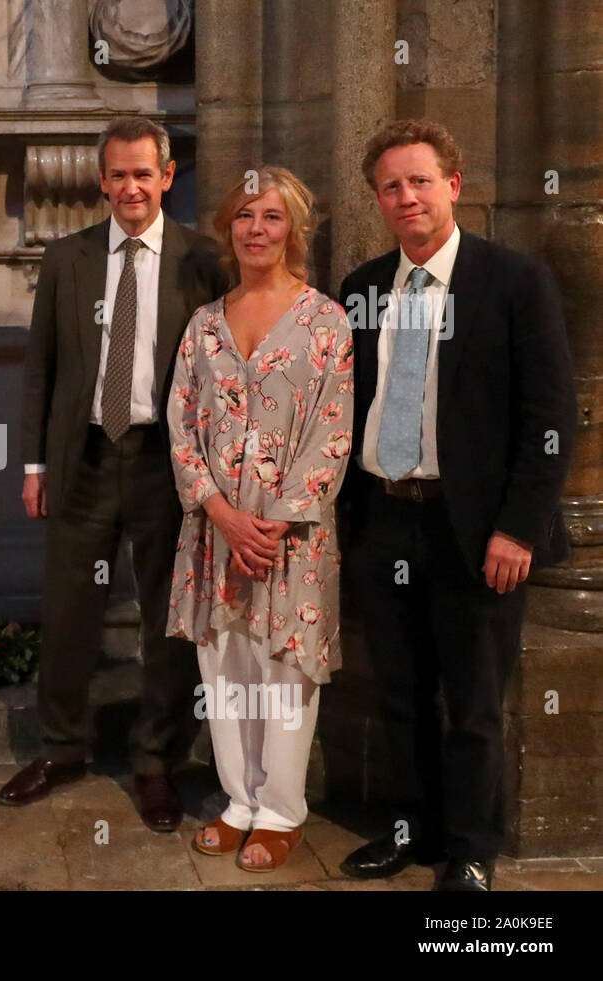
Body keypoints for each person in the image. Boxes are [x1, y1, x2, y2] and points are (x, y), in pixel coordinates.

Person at [337, 119, 575, 891]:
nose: (407, 197)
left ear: (454, 186)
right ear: (378, 199)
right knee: (400, 693)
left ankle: (471, 851)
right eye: (391, 186)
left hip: (474, 529)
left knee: (472, 703)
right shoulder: (363, 289)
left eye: (419, 181)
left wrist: (519, 528)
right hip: (384, 518)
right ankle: (414, 833)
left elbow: (551, 418)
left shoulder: (513, 281)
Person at [0, 117, 228, 829]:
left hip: (168, 462)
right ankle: (63, 747)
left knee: (168, 616)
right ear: (102, 180)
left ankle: (156, 759)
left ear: (167, 176)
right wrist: (34, 461)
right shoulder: (67, 258)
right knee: (70, 610)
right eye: (118, 174)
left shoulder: (202, 260)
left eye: (144, 173)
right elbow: (42, 366)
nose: (131, 186)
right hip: (84, 457)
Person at [167, 167, 353, 871]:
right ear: (227, 228)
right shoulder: (204, 323)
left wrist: (271, 523)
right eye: (245, 215)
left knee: (283, 671)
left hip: (290, 536)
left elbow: (332, 433)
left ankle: (280, 811)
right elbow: (181, 426)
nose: (256, 229)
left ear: (293, 230)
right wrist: (219, 512)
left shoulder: (327, 322)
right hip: (214, 531)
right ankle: (239, 801)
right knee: (225, 666)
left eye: (271, 217)